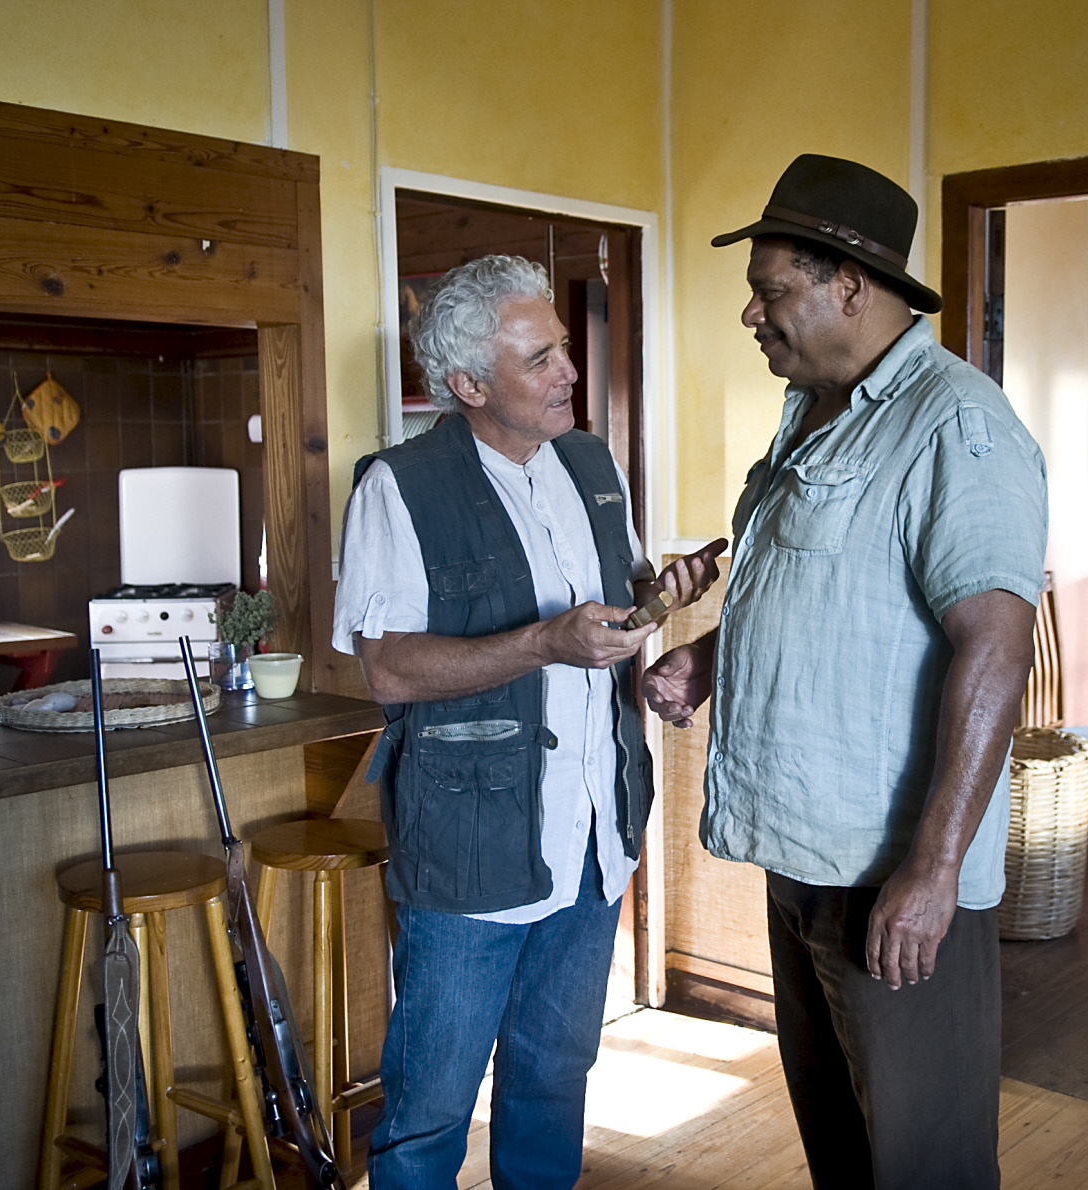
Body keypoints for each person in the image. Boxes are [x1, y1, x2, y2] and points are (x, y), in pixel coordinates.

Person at [643, 154, 1049, 1189]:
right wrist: (711, 655)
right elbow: (821, 596)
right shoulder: (815, 411)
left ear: (849, 286)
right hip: (805, 863)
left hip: (895, 882)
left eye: (770, 289)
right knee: (844, 1150)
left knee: (925, 1163)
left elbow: (994, 647)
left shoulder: (954, 424)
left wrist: (931, 870)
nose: (751, 314)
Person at [335, 253, 718, 1189]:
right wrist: (544, 642)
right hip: (471, 848)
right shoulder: (400, 485)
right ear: (467, 384)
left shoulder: (591, 463)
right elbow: (386, 665)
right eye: (542, 356)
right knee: (429, 1110)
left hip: (595, 834)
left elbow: (613, 608)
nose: (570, 371)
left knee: (554, 1079)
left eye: (563, 349)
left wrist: (657, 617)